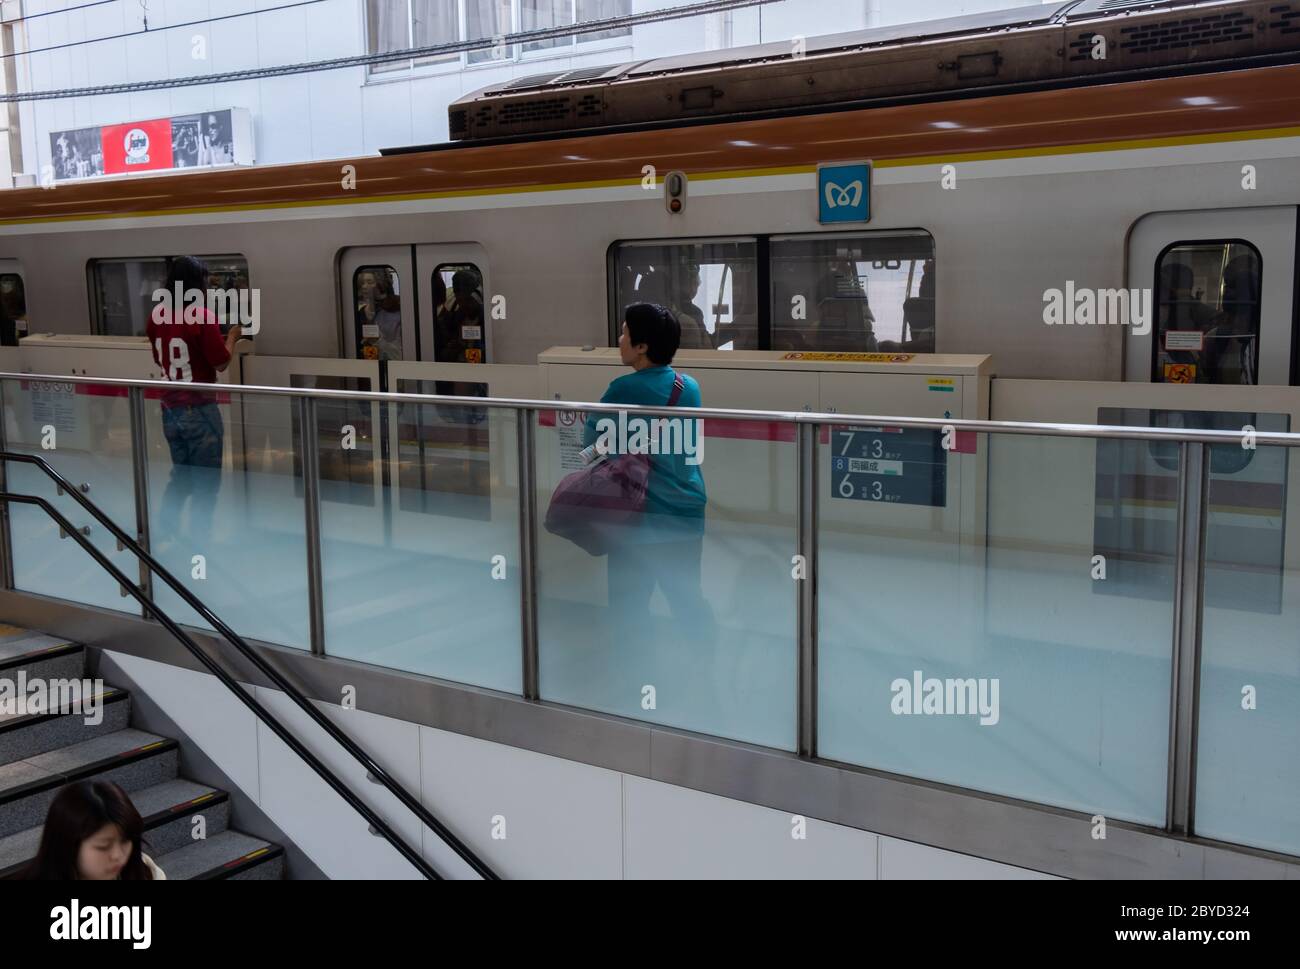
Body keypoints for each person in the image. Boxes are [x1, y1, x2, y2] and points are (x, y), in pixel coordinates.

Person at [583, 303, 712, 639]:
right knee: (687, 600)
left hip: (635, 517)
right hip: (685, 512)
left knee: (628, 607)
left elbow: (591, 446)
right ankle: (703, 658)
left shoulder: (622, 389)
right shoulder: (689, 386)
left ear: (641, 346)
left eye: (624, 333)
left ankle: (634, 665)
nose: (620, 339)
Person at [146, 255, 241, 549]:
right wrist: (233, 337)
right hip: (199, 410)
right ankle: (201, 541)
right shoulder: (202, 316)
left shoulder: (156, 316)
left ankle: (166, 530)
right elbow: (221, 362)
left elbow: (160, 358)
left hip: (169, 409)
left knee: (182, 476)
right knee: (206, 483)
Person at [20, 781, 165, 880]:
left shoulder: (145, 871)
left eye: (125, 841)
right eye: (103, 846)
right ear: (68, 845)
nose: (117, 855)